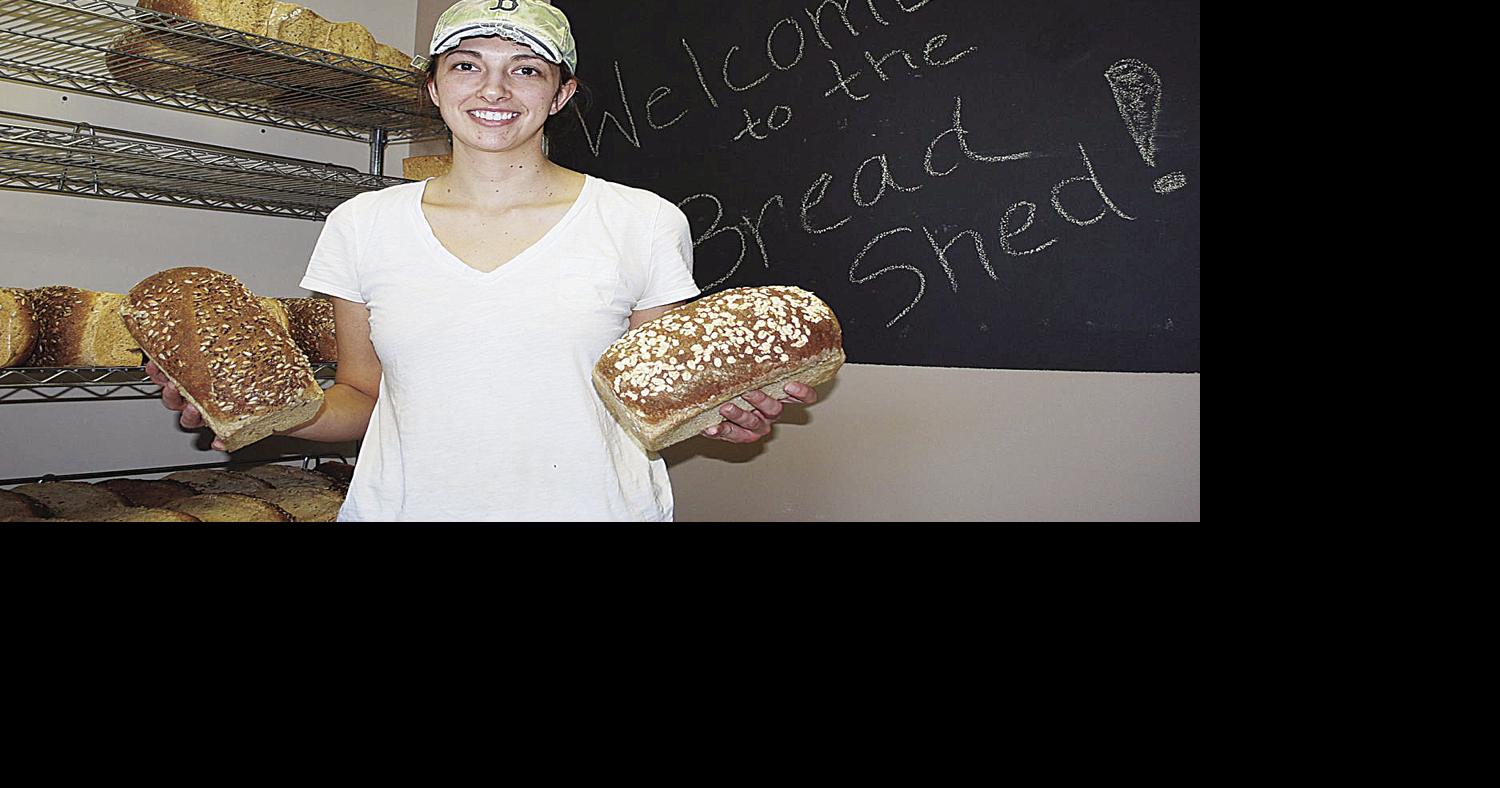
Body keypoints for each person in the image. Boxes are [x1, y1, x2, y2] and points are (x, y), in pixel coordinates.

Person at [146, 0, 819, 521]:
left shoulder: (641, 222)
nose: (493, 90)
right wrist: (258, 409)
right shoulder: (363, 224)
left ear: (560, 94)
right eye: (467, 65)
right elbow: (364, 396)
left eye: (525, 69)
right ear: (434, 87)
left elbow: (650, 401)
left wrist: (718, 414)